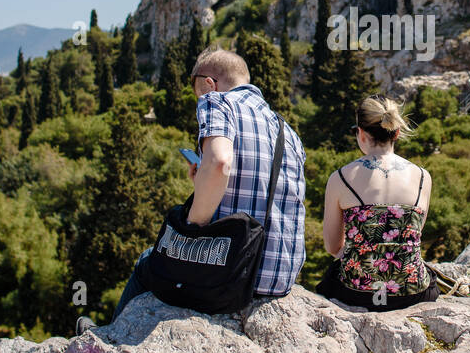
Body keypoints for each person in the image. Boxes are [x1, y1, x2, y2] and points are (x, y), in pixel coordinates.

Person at [80, 48, 306, 331]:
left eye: (198, 91)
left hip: (233, 276)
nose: (199, 100)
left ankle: (108, 338)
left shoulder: (217, 102)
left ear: (209, 83)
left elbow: (221, 164)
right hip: (278, 278)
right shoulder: (289, 132)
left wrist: (193, 225)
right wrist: (205, 178)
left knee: (148, 261)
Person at [315, 95, 438, 311]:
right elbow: (411, 238)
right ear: (397, 132)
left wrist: (365, 255)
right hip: (412, 292)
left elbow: (333, 247)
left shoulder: (341, 178)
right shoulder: (422, 177)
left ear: (361, 133)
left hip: (358, 293)